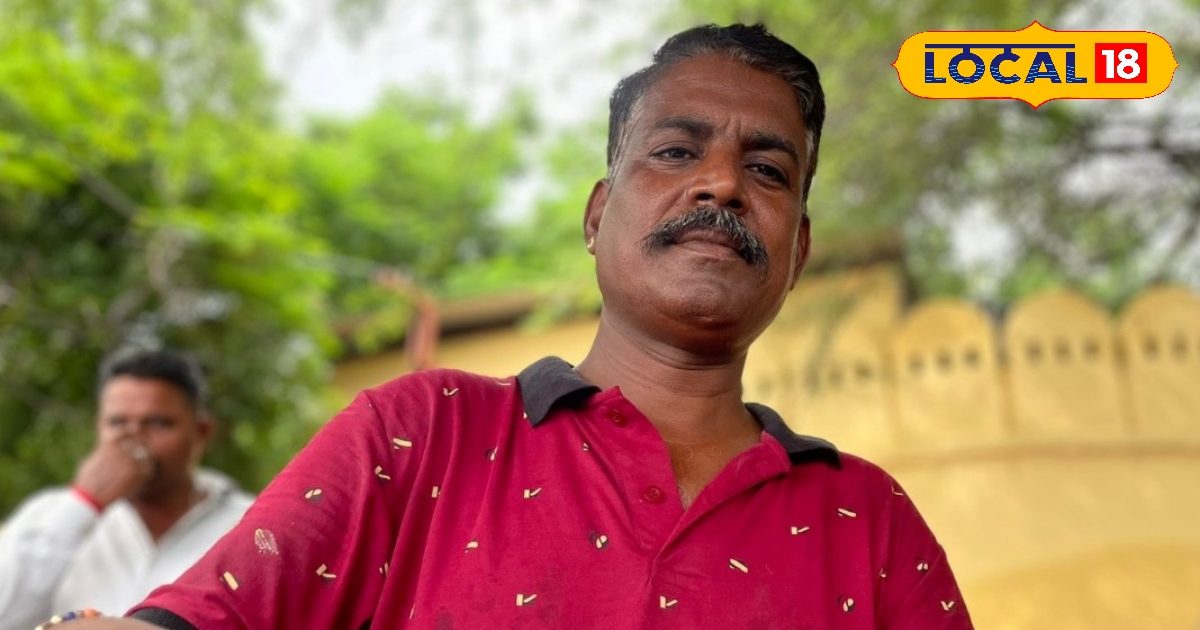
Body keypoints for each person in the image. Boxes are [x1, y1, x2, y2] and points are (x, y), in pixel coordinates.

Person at [71, 23, 972, 629]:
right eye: (675, 151)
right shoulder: (420, 436)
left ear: (797, 251)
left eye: (768, 171)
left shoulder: (870, 523)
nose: (722, 184)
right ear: (596, 216)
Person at [0, 349, 252, 629]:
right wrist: (84, 503)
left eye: (157, 423)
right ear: (99, 427)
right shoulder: (47, 514)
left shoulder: (247, 525)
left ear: (201, 432)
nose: (133, 438)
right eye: (117, 422)